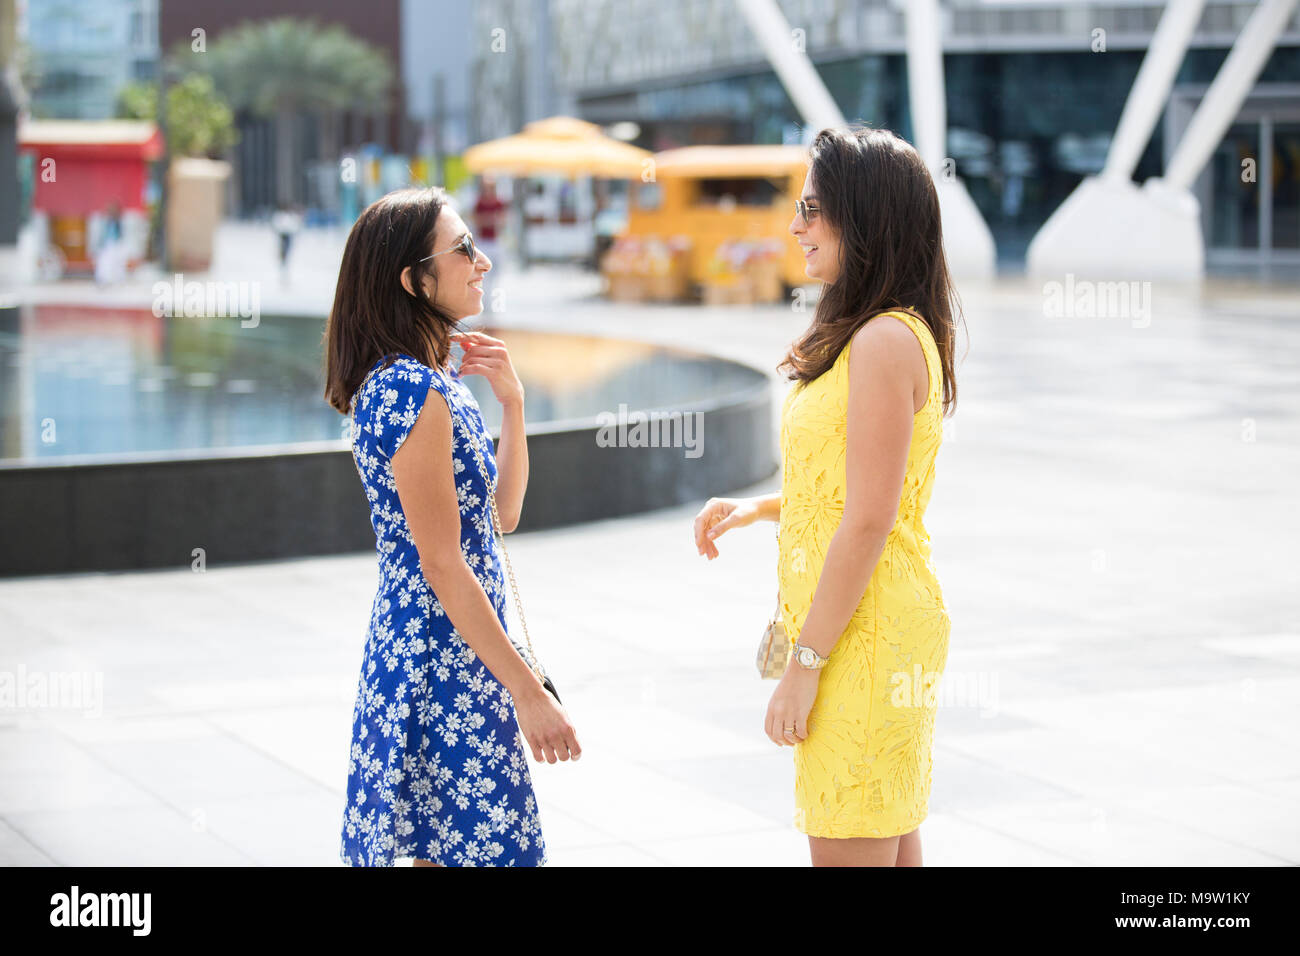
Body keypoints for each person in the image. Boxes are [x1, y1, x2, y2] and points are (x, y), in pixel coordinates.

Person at [691, 126, 963, 867]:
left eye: (813, 209)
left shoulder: (881, 342)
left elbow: (871, 519)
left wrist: (802, 669)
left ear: (865, 218)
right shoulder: (887, 333)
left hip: (859, 639)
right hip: (872, 625)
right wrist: (762, 508)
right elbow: (864, 490)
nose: (795, 226)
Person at [324, 186, 581, 867]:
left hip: (447, 650)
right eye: (463, 249)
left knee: (446, 850)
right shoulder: (411, 389)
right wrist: (527, 692)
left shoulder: (427, 380)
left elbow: (500, 516)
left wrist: (515, 407)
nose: (482, 262)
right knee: (476, 849)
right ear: (413, 280)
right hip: (442, 660)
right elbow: (441, 561)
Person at [471, 177, 507, 298]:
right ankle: (484, 300)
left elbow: (502, 221)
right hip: (483, 241)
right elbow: (477, 221)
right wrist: (490, 220)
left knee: (496, 274)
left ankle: (495, 300)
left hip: (494, 240)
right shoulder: (479, 203)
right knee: (483, 273)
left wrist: (487, 220)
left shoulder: (498, 202)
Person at [93, 200, 128, 286]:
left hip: (117, 245)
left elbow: (122, 235)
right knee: (104, 262)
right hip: (107, 245)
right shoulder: (105, 221)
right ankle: (104, 279)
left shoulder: (120, 221)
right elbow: (102, 235)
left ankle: (117, 280)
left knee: (117, 263)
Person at [271, 202, 302, 285]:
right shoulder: (280, 216)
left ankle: (285, 275)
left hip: (288, 238)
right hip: (283, 238)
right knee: (283, 257)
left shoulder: (290, 216)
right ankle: (283, 275)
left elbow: (295, 227)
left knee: (286, 257)